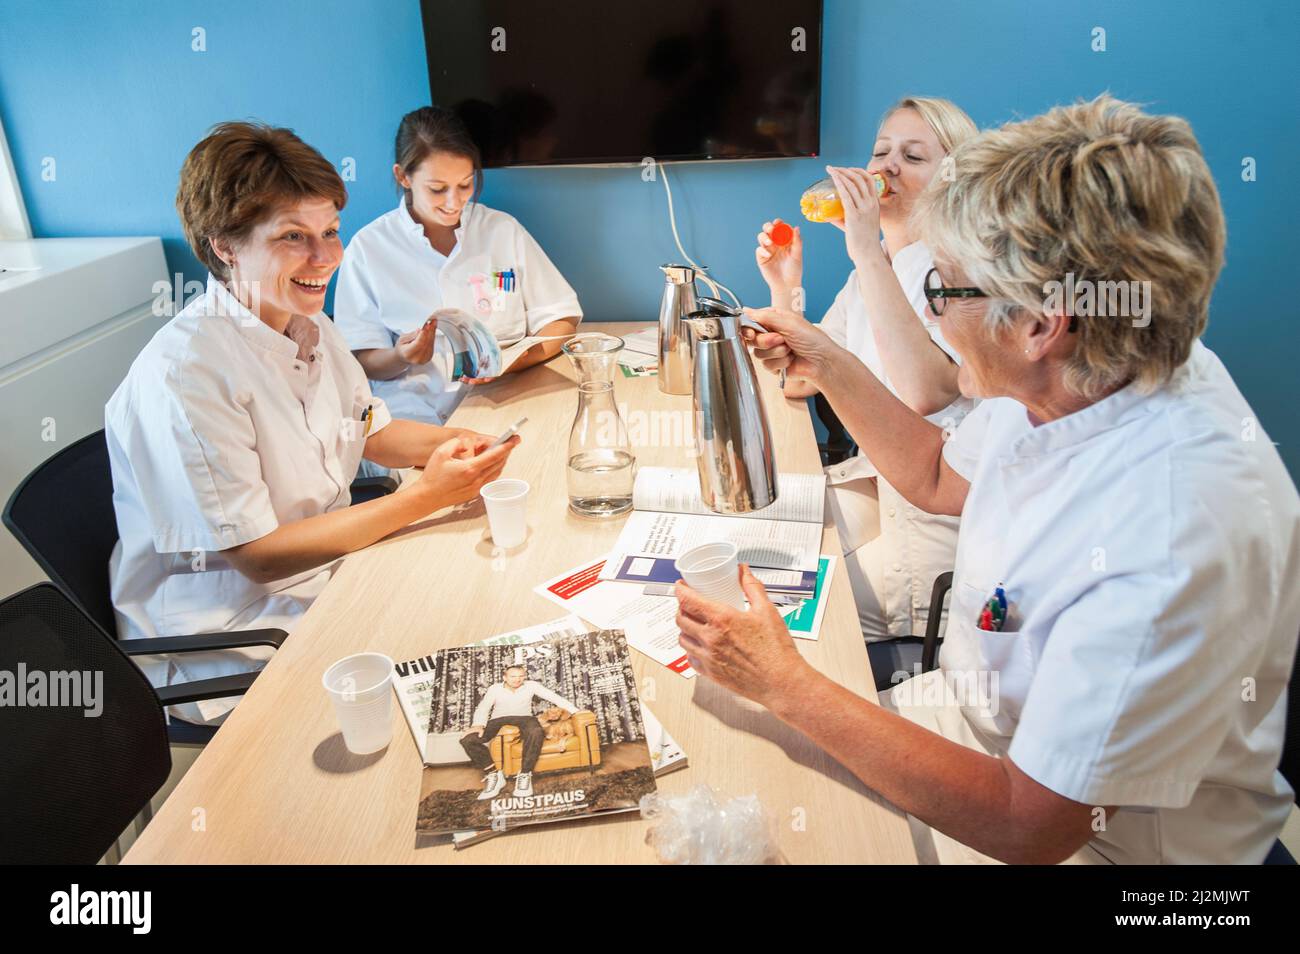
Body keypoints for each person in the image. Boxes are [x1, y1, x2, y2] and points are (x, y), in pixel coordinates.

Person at [676, 96, 1300, 864]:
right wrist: (831, 362)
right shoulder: (1082, 369)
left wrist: (786, 683)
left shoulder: (1168, 535)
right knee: (726, 764)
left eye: (943, 292)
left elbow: (1026, 824)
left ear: (1041, 322)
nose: (932, 319)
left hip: (1106, 852)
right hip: (969, 721)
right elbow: (938, 475)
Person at [107, 122, 518, 725]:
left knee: (484, 603)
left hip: (320, 576)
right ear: (225, 245)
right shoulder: (186, 374)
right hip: (232, 634)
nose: (326, 258)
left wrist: (464, 442)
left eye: (330, 232)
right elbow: (259, 557)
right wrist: (427, 497)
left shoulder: (310, 323)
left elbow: (369, 431)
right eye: (293, 237)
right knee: (462, 669)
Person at [755, 98, 978, 669]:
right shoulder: (870, 272)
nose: (887, 168)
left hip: (938, 514)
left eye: (913, 155)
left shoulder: (957, 271)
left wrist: (862, 247)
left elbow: (925, 393)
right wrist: (786, 290)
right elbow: (802, 381)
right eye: (881, 152)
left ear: (954, 179)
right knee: (758, 547)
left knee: (775, 605)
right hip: (878, 485)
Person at [334, 106, 582, 427]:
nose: (454, 202)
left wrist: (511, 364)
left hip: (508, 408)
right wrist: (401, 357)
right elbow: (361, 359)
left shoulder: (501, 230)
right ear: (403, 176)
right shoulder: (369, 249)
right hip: (418, 421)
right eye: (437, 189)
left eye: (465, 185)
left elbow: (560, 319)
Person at [460, 665, 579, 799]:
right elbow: (483, 707)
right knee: (467, 740)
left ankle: (524, 774)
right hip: (498, 719)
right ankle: (494, 774)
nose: (517, 680)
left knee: (536, 731)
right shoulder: (495, 689)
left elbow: (554, 697)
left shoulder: (531, 685)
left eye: (521, 676)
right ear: (504, 677)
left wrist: (576, 711)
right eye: (513, 676)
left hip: (524, 718)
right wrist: (477, 725)